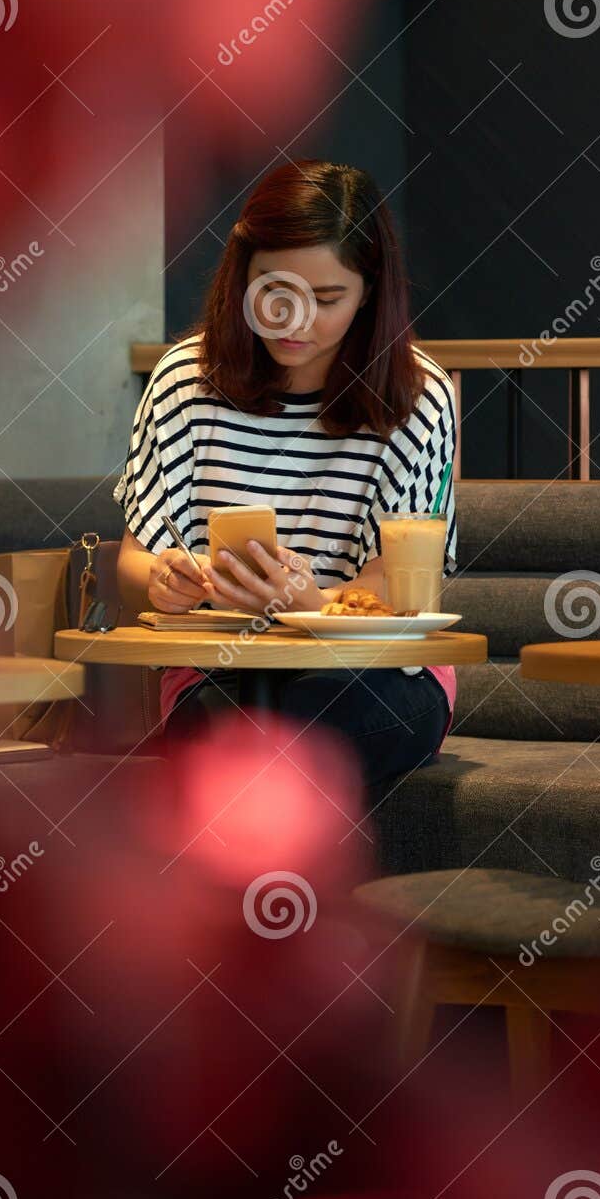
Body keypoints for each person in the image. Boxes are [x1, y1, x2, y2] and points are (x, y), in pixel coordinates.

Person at [113, 159, 456, 791]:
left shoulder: (417, 396)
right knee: (237, 738)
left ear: (370, 293)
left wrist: (314, 605)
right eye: (274, 289)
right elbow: (137, 563)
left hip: (380, 674)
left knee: (281, 741)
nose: (295, 320)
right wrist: (164, 581)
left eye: (327, 299)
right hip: (220, 668)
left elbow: (399, 584)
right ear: (241, 274)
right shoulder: (184, 384)